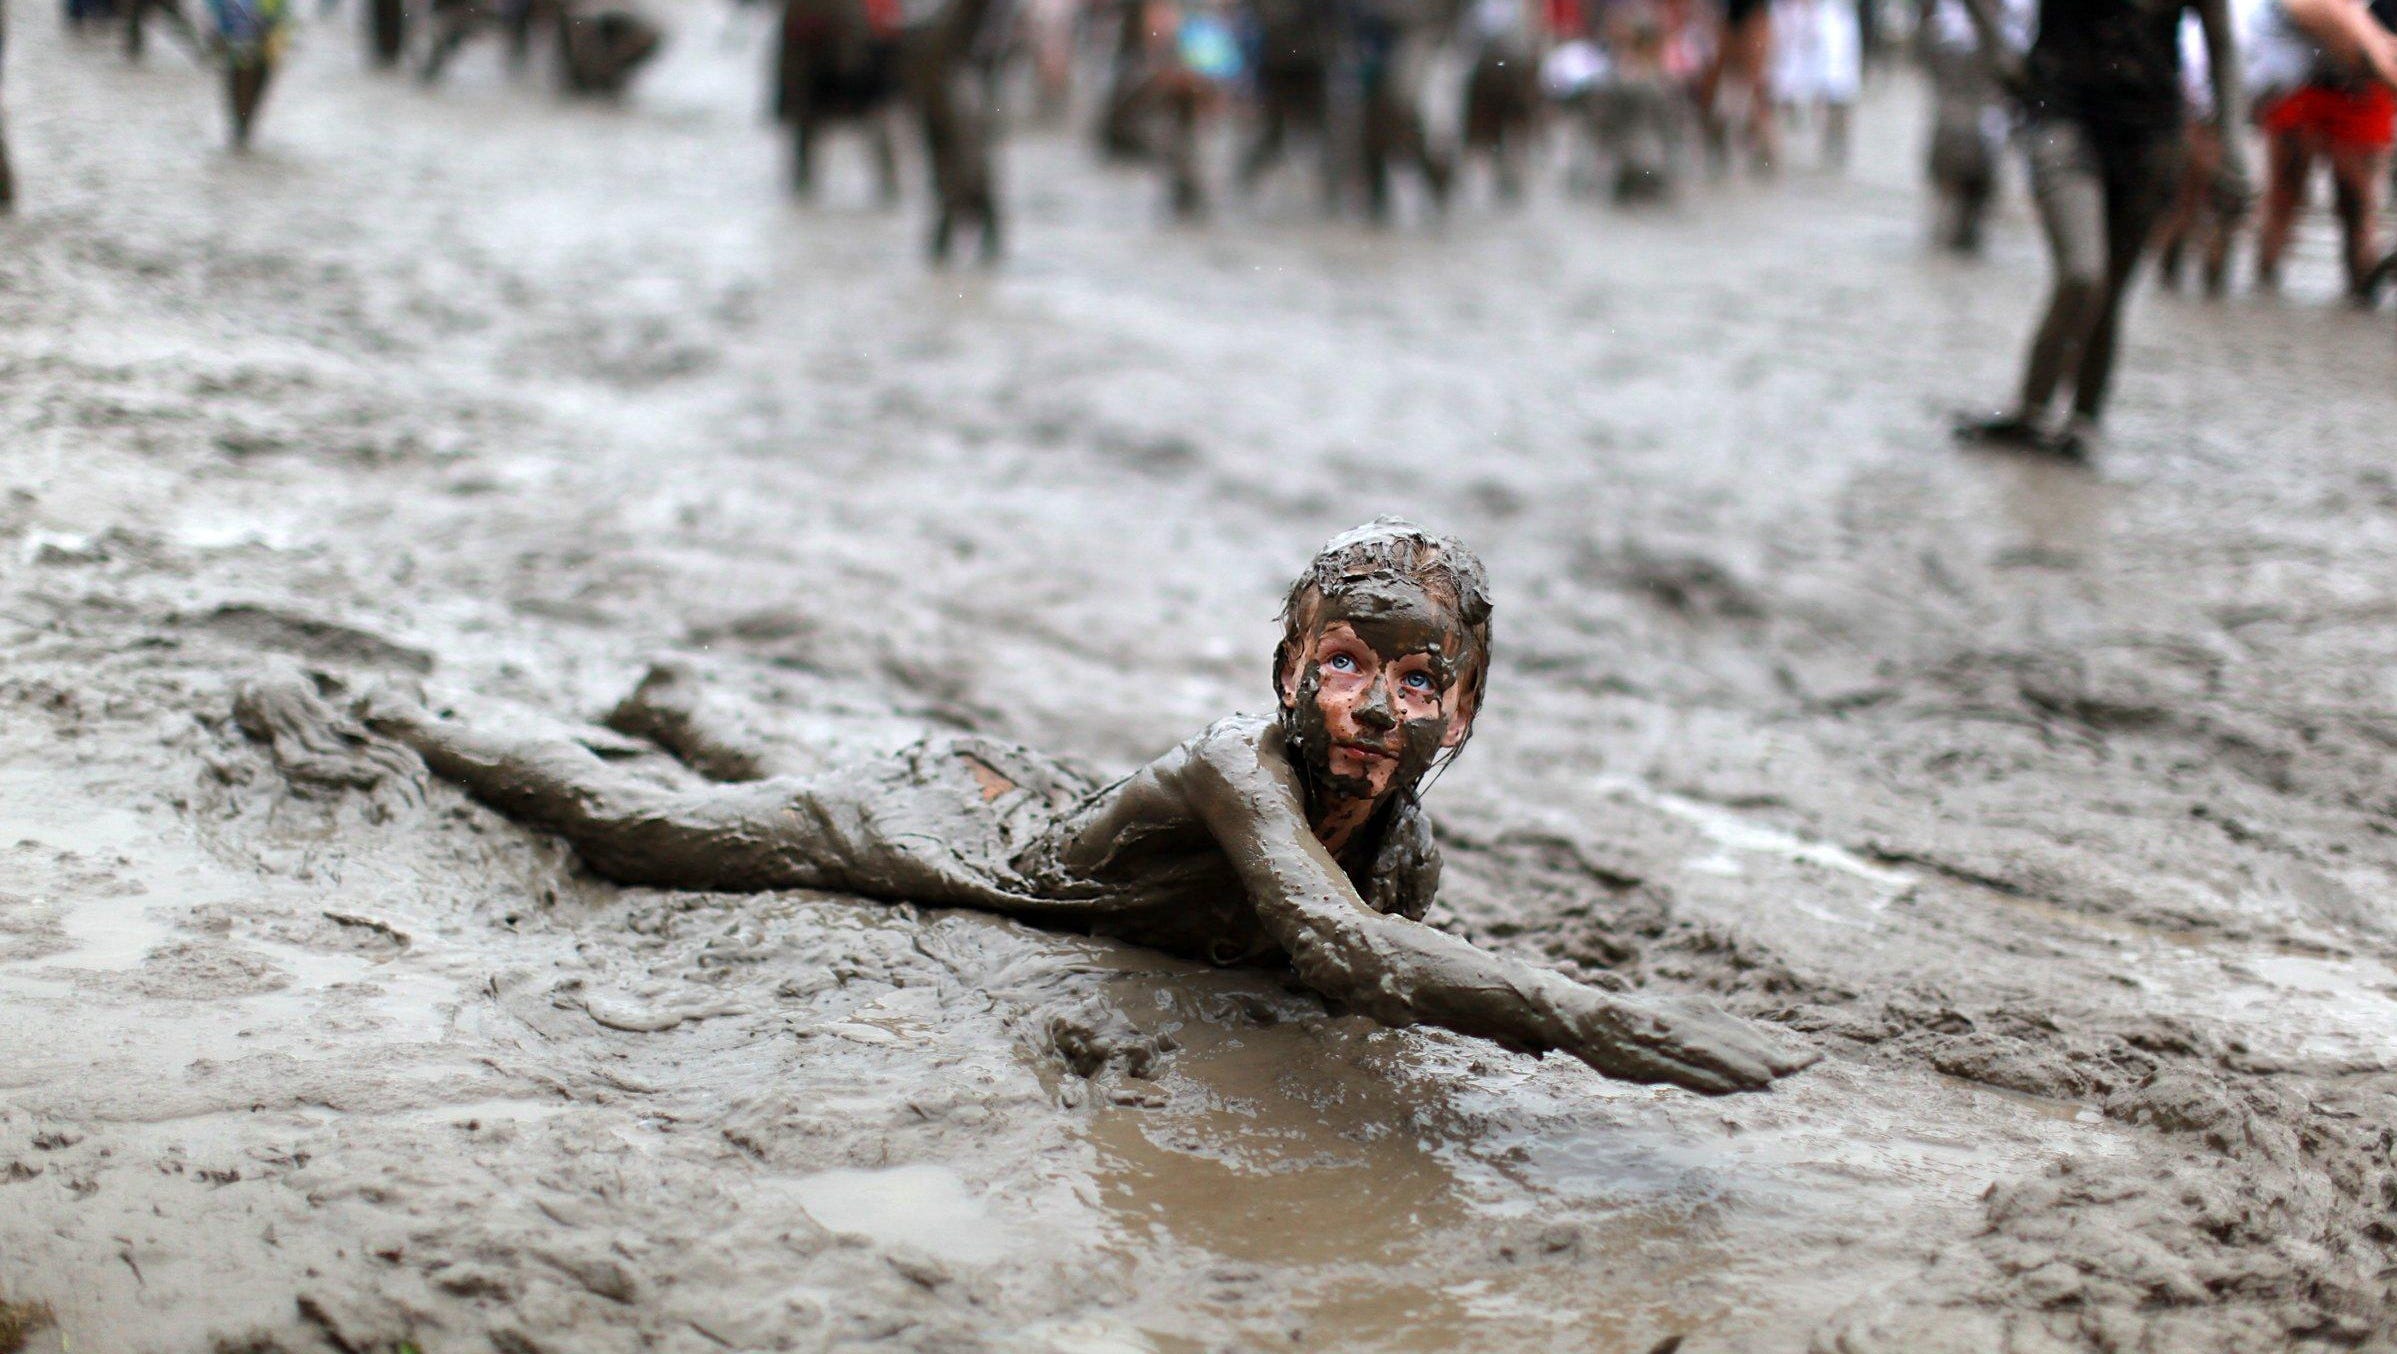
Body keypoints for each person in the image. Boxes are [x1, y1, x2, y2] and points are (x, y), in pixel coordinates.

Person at [235, 520, 1815, 1096]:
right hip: (939, 835)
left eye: (1420, 686)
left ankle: (679, 700)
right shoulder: (1234, 768)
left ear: (1465, 708)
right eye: (1347, 666)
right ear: (1285, 667)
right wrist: (1623, 1028)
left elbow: (1367, 952)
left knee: (744, 763)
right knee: (642, 832)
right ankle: (401, 713)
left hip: (1032, 791)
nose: (1379, 709)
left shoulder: (1402, 841)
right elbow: (1351, 966)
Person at [1952, 0, 2250, 460]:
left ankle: (2085, 418)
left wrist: (2233, 144)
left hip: (2151, 131)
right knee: (2083, 272)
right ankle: (2030, 409)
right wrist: (1995, 49)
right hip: (2061, 111)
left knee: (2112, 289)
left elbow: (2223, 47)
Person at [2246, 0, 2397, 300]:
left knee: (2357, 198)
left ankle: (2360, 292)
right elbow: (2352, 35)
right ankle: (2263, 286)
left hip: (2364, 87)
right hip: (2304, 79)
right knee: (2284, 193)